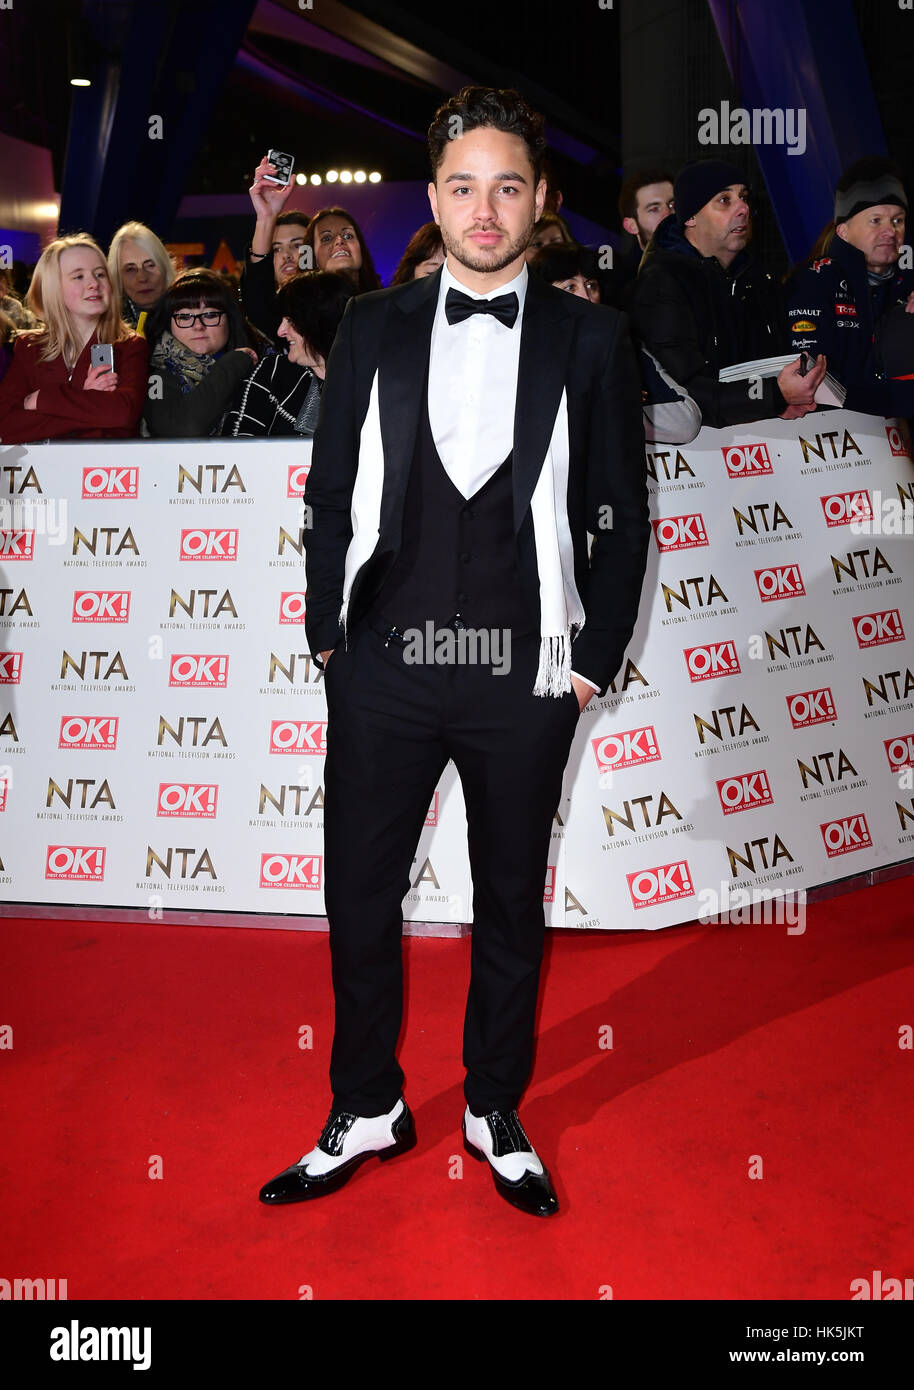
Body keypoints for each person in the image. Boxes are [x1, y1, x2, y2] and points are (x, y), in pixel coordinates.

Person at [259, 85, 650, 1219]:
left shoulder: (592, 336)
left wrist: (591, 660)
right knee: (357, 895)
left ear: (538, 202)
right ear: (433, 198)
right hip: (382, 664)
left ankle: (492, 1104)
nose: (485, 210)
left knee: (509, 906)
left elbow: (620, 513)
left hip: (523, 675)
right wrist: (328, 634)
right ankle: (368, 1101)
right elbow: (329, 492)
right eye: (463, 187)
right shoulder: (370, 325)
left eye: (509, 186)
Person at [632, 159, 825, 427]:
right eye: (724, 200)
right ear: (690, 217)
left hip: (762, 446)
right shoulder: (661, 284)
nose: (743, 208)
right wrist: (774, 396)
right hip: (697, 459)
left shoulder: (759, 278)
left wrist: (784, 399)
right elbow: (681, 393)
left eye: (743, 197)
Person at [530, 242, 701, 443]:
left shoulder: (626, 346)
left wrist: (617, 400)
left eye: (591, 285)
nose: (586, 297)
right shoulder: (525, 355)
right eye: (570, 287)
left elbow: (685, 424)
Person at [785, 157, 914, 417]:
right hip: (830, 440)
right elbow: (814, 383)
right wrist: (899, 401)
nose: (890, 231)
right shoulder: (814, 282)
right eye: (875, 220)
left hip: (895, 442)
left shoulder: (905, 285)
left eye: (897, 220)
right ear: (843, 230)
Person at [0, 233, 148, 444]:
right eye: (78, 276)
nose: (93, 284)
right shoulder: (29, 347)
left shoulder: (130, 346)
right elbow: (5, 426)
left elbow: (121, 416)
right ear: (53, 288)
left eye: (100, 274)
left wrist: (43, 399)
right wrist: (87, 401)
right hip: (43, 474)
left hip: (104, 473)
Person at [222, 270, 353, 437]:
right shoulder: (273, 372)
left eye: (290, 321)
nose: (280, 331)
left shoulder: (371, 379)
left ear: (319, 321)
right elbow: (235, 449)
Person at [142, 268, 267, 438]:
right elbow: (182, 428)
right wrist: (232, 365)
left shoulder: (261, 367)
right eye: (185, 317)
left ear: (229, 319)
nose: (198, 326)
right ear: (169, 323)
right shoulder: (156, 374)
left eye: (209, 315)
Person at [242, 154, 312, 341]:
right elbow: (258, 292)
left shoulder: (342, 306)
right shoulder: (268, 317)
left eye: (297, 245)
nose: (287, 256)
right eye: (276, 249)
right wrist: (266, 217)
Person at [107, 221, 174, 329]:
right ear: (118, 277)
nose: (142, 278)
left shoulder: (190, 314)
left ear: (164, 266)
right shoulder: (107, 326)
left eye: (150, 265)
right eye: (130, 269)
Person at [301, 207, 381, 294]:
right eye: (327, 238)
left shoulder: (386, 302)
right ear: (312, 256)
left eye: (348, 236)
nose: (339, 241)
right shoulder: (297, 306)